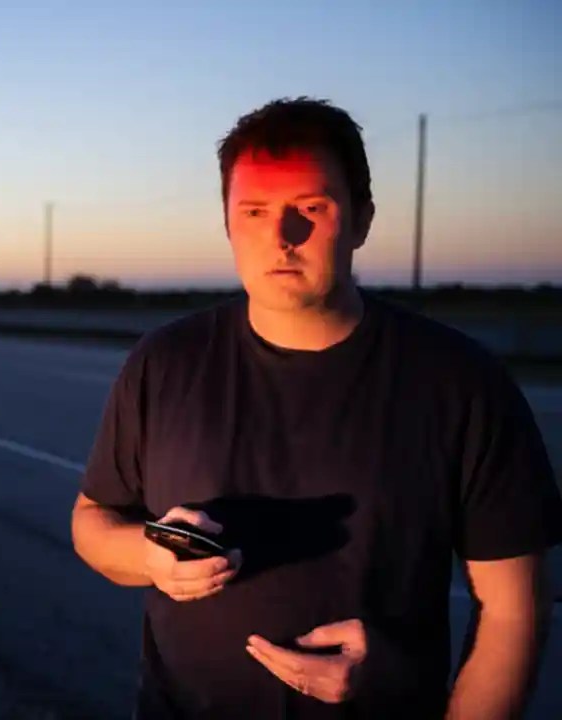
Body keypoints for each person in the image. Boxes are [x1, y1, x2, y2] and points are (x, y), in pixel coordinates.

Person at [71, 97, 562, 719]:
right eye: (254, 212)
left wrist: (397, 673)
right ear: (227, 223)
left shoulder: (461, 383)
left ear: (360, 220)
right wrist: (149, 556)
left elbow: (517, 608)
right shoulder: (163, 362)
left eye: (310, 208)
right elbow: (91, 522)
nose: (281, 237)